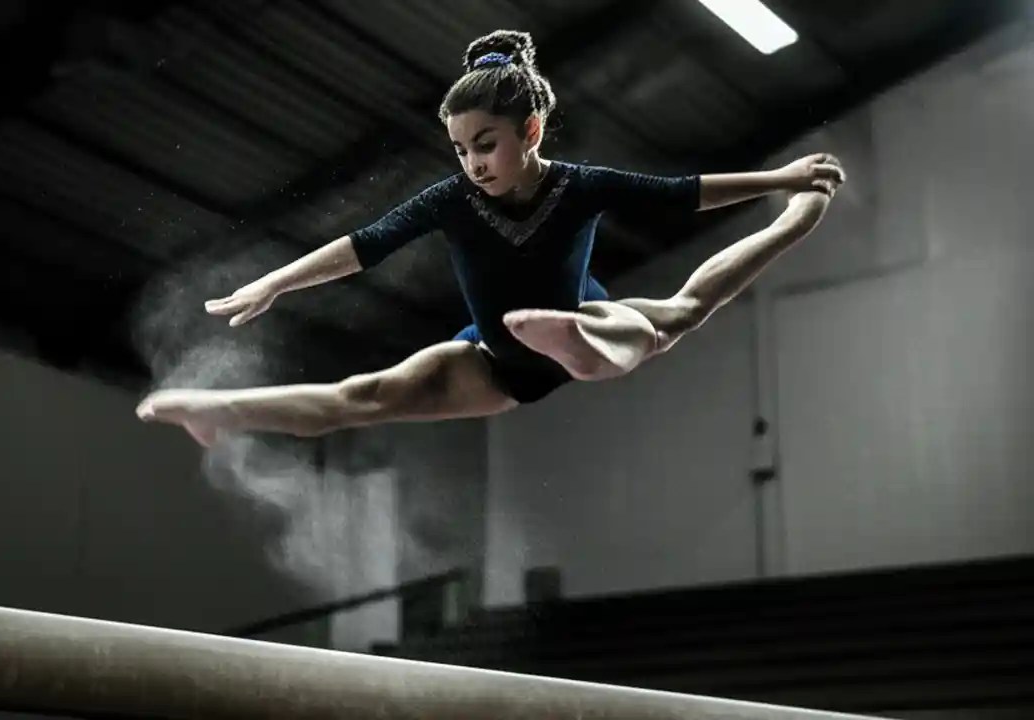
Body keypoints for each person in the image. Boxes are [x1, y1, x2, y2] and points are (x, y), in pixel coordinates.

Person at [135, 30, 844, 447]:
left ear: (529, 131)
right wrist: (274, 282)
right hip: (490, 358)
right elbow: (364, 244)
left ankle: (575, 337)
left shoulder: (581, 185)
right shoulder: (453, 200)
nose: (474, 163)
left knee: (680, 313)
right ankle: (219, 413)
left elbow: (683, 194)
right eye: (461, 149)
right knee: (363, 395)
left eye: (487, 144)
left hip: (587, 323)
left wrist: (781, 180)